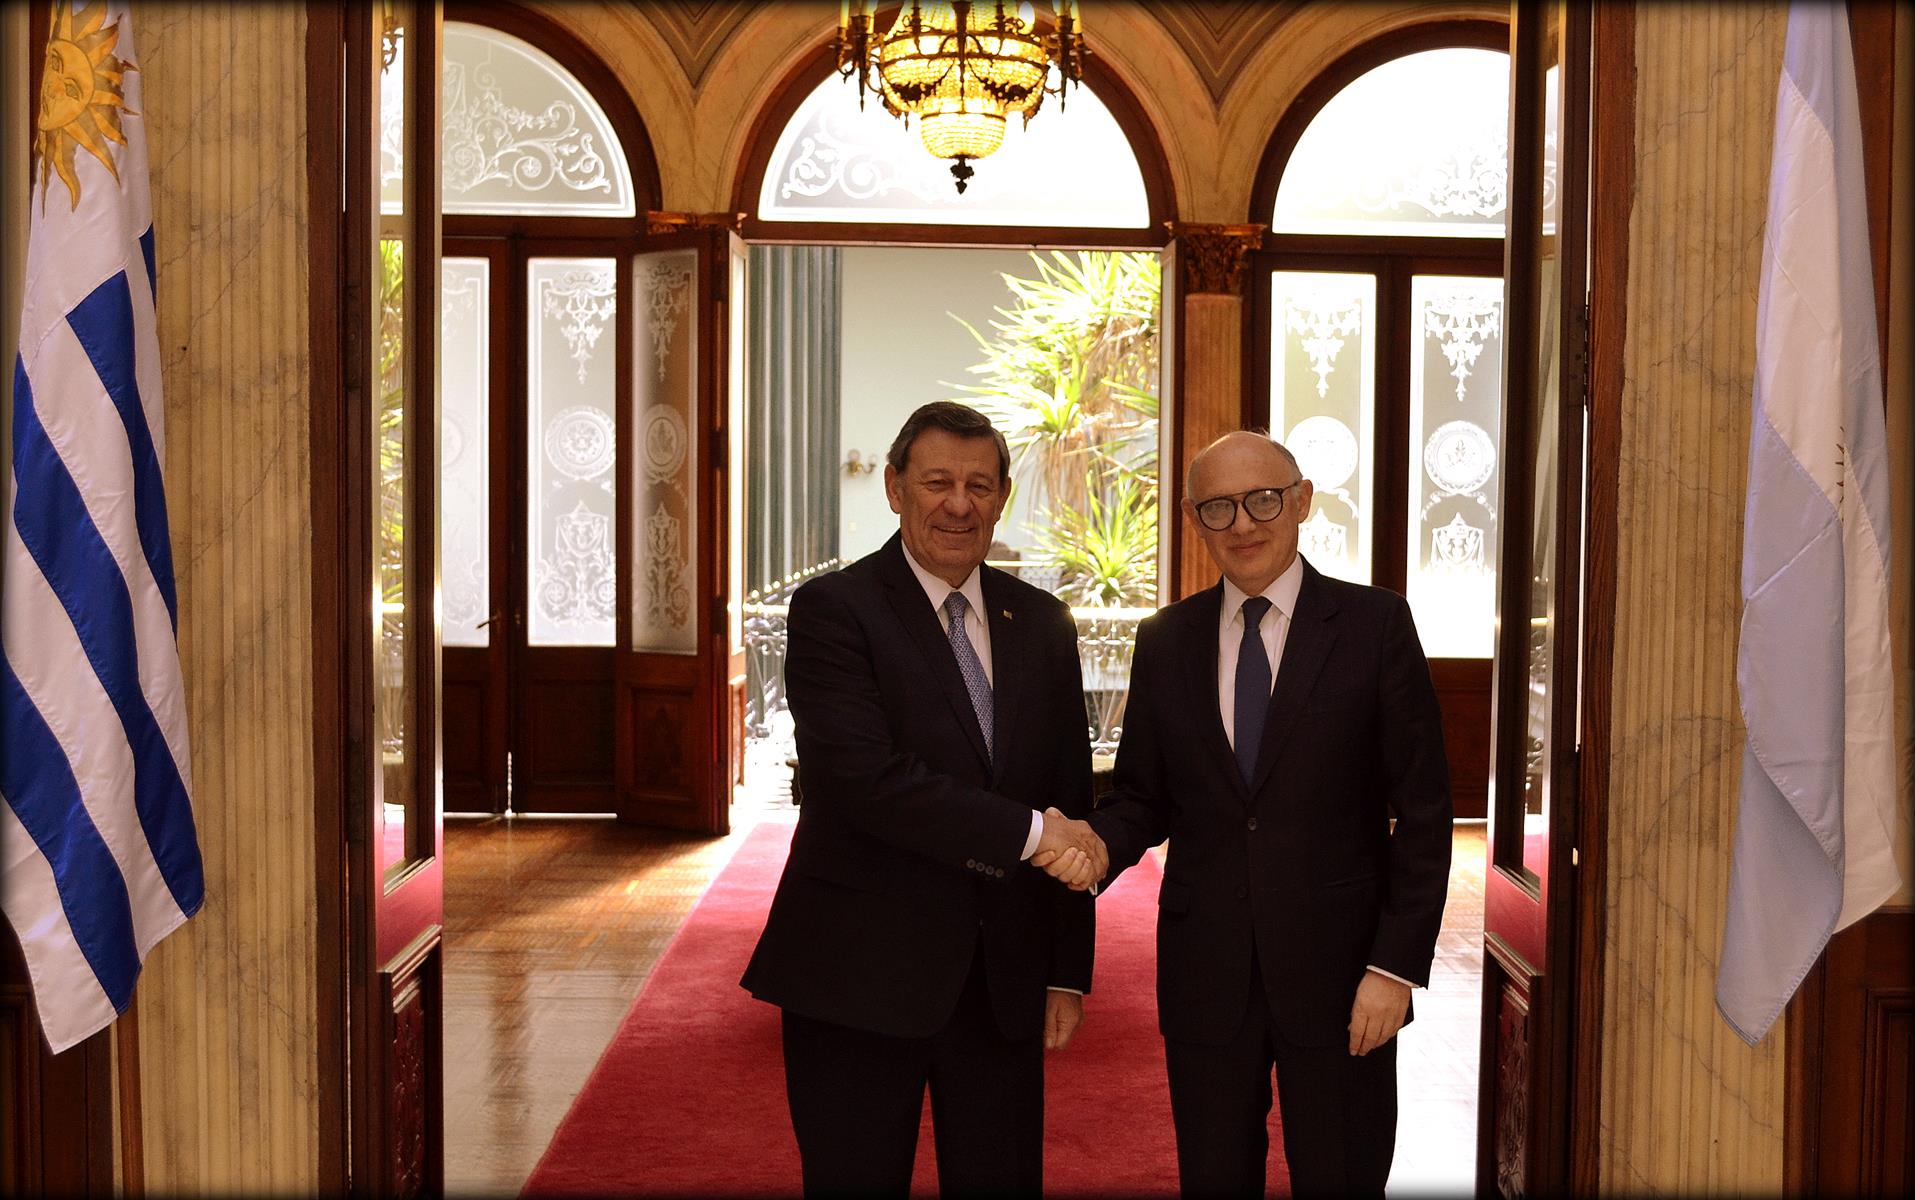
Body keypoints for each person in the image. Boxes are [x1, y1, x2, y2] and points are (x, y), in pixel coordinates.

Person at [1043, 430, 1452, 1197]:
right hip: (1206, 974)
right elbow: (1143, 796)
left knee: (1340, 1176)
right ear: (1195, 520)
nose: (1243, 523)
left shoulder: (1374, 626)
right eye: (1218, 507)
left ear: (1300, 501)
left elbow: (1426, 813)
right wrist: (1096, 846)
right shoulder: (1165, 640)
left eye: (1262, 499)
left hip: (1343, 978)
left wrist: (1393, 967)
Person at [742, 401, 1107, 1198]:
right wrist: (1030, 834)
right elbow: (865, 780)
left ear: (1002, 498)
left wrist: (1064, 971)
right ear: (895, 488)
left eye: (980, 485)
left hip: (1001, 982)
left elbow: (1066, 794)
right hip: (856, 975)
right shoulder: (835, 612)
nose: (958, 503)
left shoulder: (1041, 621)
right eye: (938, 481)